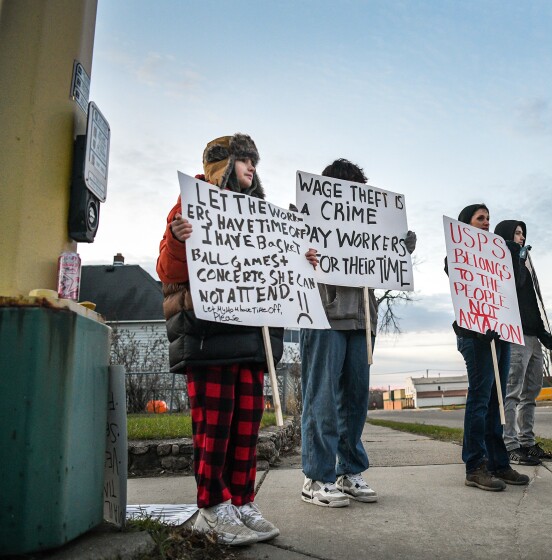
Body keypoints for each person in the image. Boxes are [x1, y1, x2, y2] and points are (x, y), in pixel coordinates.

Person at [157, 133, 283, 546]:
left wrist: (302, 259)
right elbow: (167, 268)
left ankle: (243, 501)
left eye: (254, 163)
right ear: (223, 164)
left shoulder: (260, 213)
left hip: (249, 337)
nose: (251, 168)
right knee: (216, 425)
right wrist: (177, 238)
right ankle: (213, 506)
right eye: (244, 160)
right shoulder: (190, 204)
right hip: (208, 337)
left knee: (246, 424)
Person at [299, 158, 416, 507]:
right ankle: (315, 477)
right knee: (321, 401)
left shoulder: (372, 228)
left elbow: (381, 264)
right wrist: (301, 249)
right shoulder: (306, 220)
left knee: (354, 401)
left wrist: (399, 252)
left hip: (363, 320)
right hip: (324, 316)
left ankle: (349, 471)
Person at [446, 204, 531, 491]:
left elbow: (516, 286)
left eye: (488, 219)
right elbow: (457, 274)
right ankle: (474, 464)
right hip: (475, 335)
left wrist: (515, 257)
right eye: (480, 218)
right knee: (480, 397)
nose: (486, 223)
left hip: (500, 334)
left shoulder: (502, 254)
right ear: (465, 225)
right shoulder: (458, 252)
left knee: (497, 399)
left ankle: (498, 462)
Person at [494, 220, 552, 465]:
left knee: (531, 391)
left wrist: (543, 333)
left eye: (523, 233)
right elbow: (512, 289)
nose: (521, 237)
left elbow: (532, 304)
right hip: (514, 335)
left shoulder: (525, 264)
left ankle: (527, 442)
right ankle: (510, 445)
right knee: (513, 392)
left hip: (531, 336)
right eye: (516, 233)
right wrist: (515, 258)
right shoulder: (503, 264)